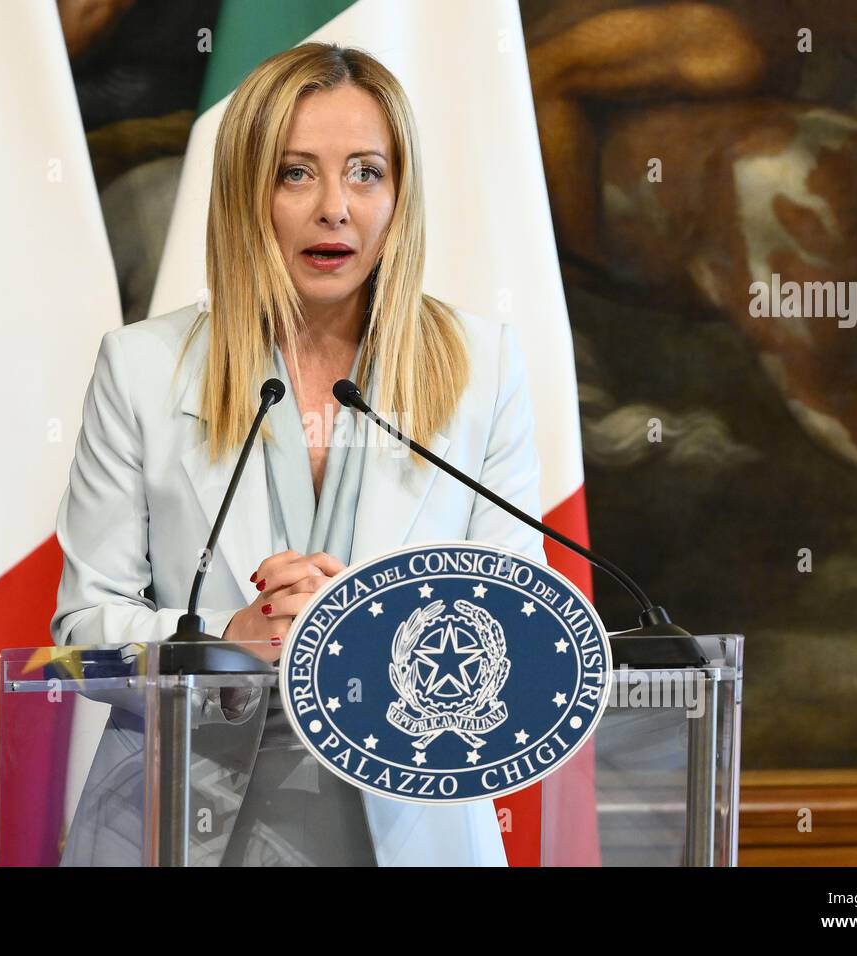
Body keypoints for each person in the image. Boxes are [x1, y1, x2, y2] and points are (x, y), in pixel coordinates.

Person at [51, 42, 547, 866]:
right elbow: (79, 639)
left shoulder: (483, 366)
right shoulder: (140, 368)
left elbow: (516, 622)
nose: (334, 209)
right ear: (249, 191)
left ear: (400, 195)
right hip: (184, 820)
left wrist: (361, 621)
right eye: (295, 173)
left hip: (412, 826)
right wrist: (224, 641)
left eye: (365, 172)